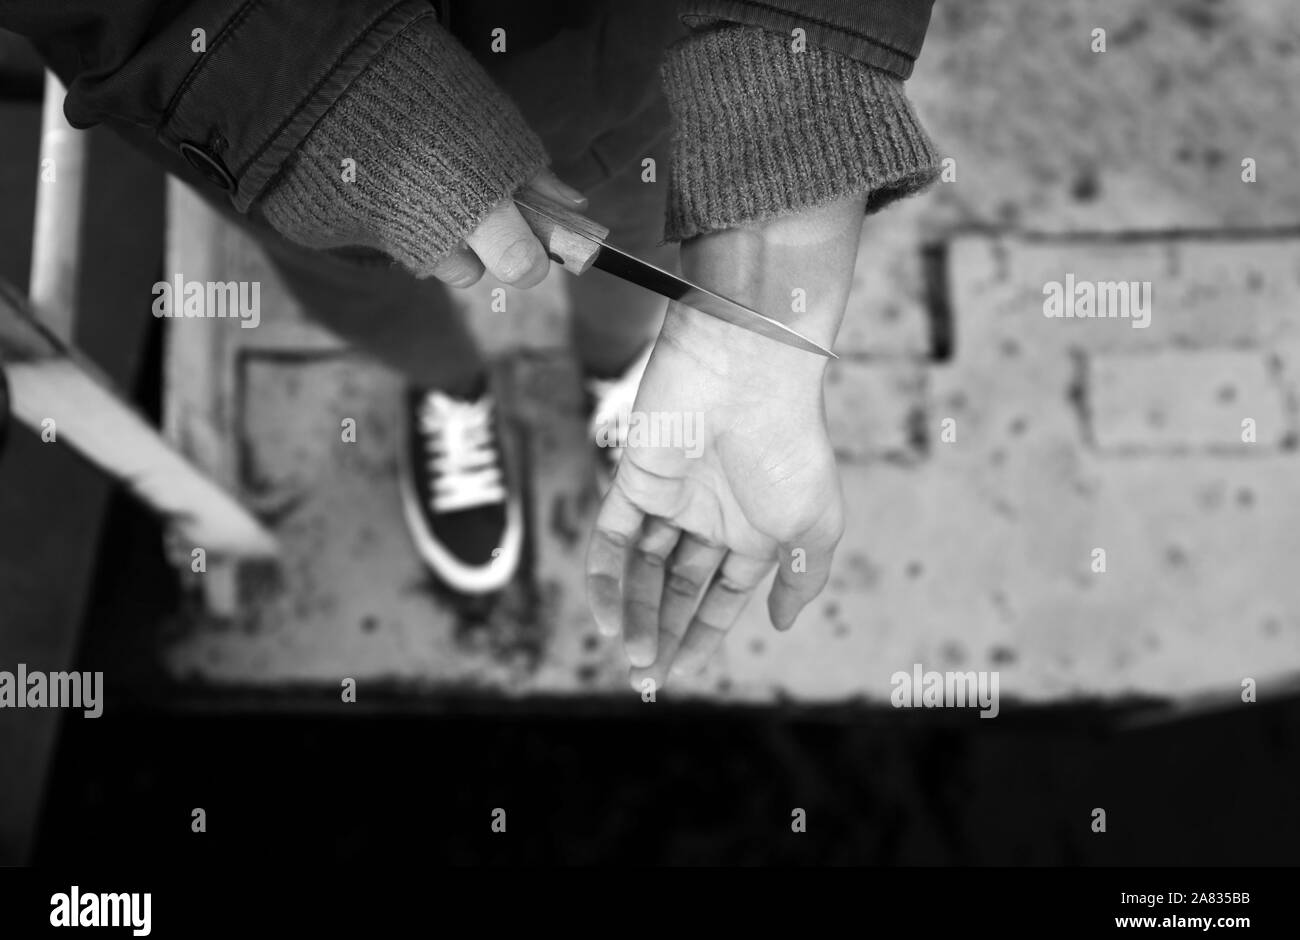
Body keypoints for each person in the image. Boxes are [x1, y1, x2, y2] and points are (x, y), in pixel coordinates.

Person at [1, 0, 940, 686]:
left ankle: (623, 370)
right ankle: (452, 389)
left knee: (646, 223)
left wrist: (769, 217)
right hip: (276, 118)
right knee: (368, 280)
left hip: (632, 47)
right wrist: (291, 76)